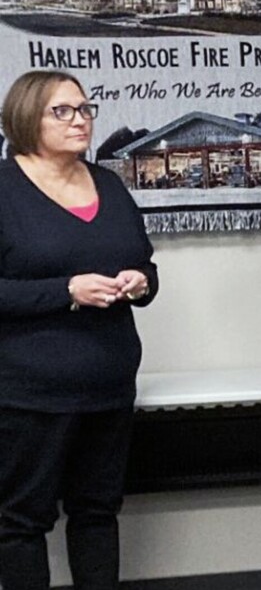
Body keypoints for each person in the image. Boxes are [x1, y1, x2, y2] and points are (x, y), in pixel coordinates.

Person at [0, 70, 157, 590]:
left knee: (97, 512)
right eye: (62, 111)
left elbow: (147, 269)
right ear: (26, 118)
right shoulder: (5, 189)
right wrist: (65, 291)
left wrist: (140, 283)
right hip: (30, 394)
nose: (80, 121)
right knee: (23, 522)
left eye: (85, 109)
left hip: (108, 385)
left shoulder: (108, 182)